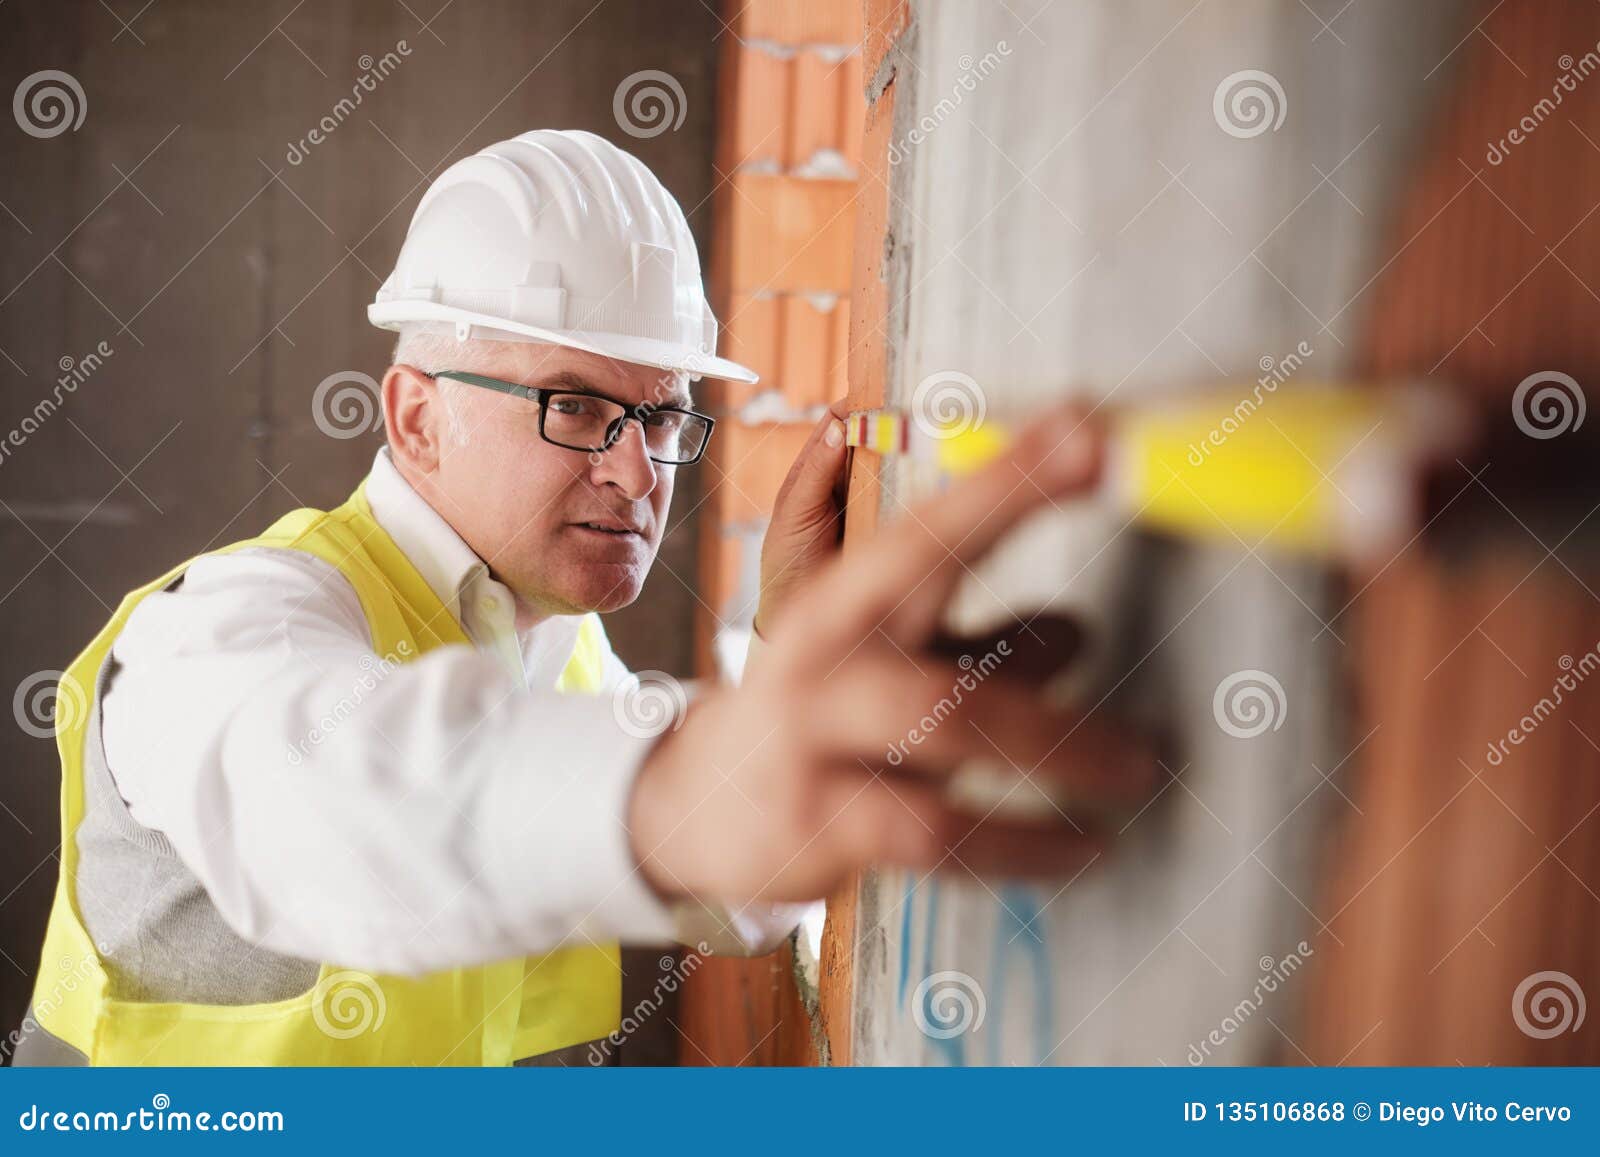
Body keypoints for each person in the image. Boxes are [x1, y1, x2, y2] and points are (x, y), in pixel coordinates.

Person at [15, 130, 1149, 1066]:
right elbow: (320, 794)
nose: (638, 471)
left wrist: (790, 654)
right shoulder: (222, 630)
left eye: (662, 415)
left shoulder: (561, 658)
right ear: (416, 417)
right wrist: (668, 784)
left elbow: (733, 887)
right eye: (575, 406)